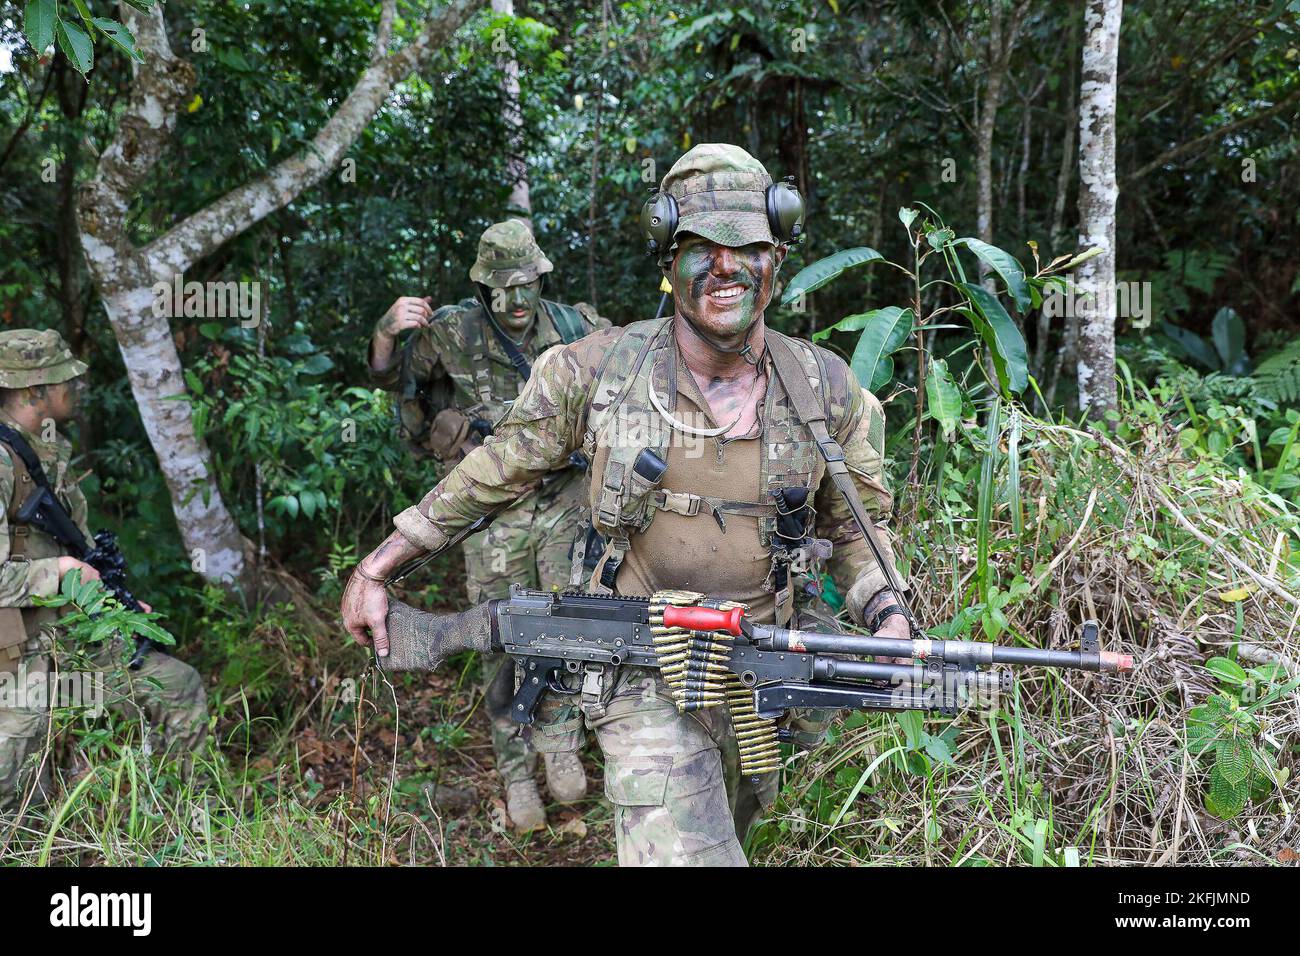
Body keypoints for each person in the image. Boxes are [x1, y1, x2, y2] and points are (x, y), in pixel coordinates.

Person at [344, 146, 910, 865]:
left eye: (746, 247)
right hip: (643, 668)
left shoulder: (828, 390)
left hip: (766, 670)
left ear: (780, 255)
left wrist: (887, 615)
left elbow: (858, 529)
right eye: (699, 248)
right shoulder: (596, 372)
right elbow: (489, 471)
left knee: (745, 826)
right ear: (667, 261)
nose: (725, 267)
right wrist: (379, 567)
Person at [367, 220, 609, 831]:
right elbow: (395, 386)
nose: (518, 301)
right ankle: (516, 773)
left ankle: (561, 746)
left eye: (527, 285)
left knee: (568, 623)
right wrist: (386, 338)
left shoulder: (576, 326)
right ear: (482, 289)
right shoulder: (451, 331)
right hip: (491, 511)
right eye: (504, 290)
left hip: (563, 501)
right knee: (499, 633)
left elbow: (631, 376)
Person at [0, 329, 208, 813]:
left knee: (176, 686)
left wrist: (113, 599)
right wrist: (60, 572)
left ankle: (196, 831)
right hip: (14, 659)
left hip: (66, 641)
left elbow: (79, 547)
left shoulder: (46, 450)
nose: (76, 388)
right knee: (16, 796)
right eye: (64, 380)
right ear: (35, 391)